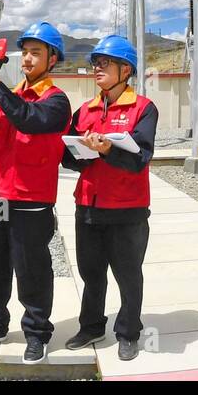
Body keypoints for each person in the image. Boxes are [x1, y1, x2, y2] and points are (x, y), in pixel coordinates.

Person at [0, 22, 71, 365]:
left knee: (31, 268)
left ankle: (37, 333)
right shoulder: (11, 95)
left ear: (53, 59)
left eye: (37, 52)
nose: (28, 59)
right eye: (26, 52)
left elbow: (28, 120)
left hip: (30, 201)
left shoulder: (56, 101)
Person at [61, 36, 156, 362]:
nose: (97, 68)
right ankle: (91, 326)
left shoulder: (143, 109)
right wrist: (81, 150)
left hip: (128, 210)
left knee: (128, 275)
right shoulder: (84, 110)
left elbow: (140, 158)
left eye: (104, 63)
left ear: (125, 69)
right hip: (88, 206)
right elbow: (68, 160)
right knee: (91, 273)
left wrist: (108, 149)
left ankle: (128, 331)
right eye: (95, 63)